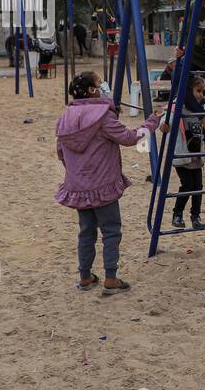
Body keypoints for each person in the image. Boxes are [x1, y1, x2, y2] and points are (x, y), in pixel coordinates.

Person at [55, 71, 162, 294]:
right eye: (100, 82)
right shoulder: (102, 116)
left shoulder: (65, 117)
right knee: (111, 231)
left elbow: (61, 152)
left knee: (86, 232)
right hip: (102, 184)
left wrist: (77, 173)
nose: (104, 86)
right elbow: (130, 138)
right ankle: (111, 278)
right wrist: (152, 122)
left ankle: (85, 277)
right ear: (93, 90)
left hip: (78, 187)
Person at [160, 74, 205, 230]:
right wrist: (164, 126)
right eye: (198, 91)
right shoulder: (178, 106)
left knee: (198, 186)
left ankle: (195, 215)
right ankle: (177, 214)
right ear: (188, 90)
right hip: (182, 155)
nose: (201, 95)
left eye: (203, 92)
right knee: (187, 185)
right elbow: (167, 120)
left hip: (196, 157)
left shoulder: (202, 110)